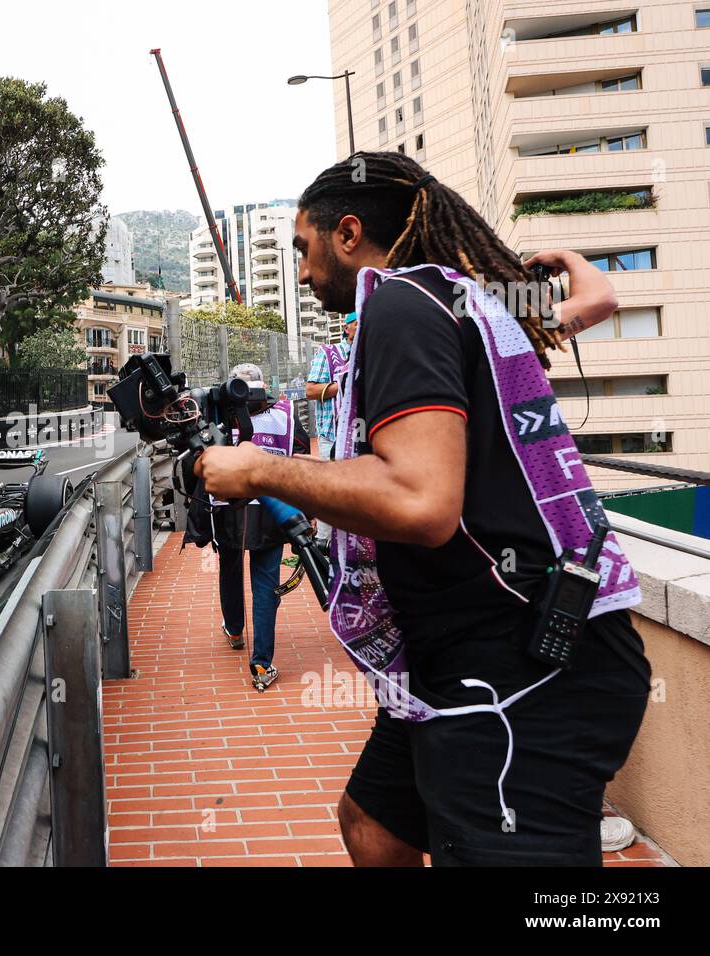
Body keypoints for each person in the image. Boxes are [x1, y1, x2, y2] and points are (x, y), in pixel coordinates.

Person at [193, 151, 651, 866]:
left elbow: (421, 500)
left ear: (348, 233)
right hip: (474, 648)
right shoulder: (470, 301)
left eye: (305, 252)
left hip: (518, 668)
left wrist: (259, 469)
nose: (306, 275)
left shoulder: (403, 304)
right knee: (373, 827)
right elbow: (596, 303)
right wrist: (565, 261)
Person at [184, 363, 310, 691]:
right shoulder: (286, 413)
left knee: (230, 569)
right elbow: (301, 458)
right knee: (266, 585)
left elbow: (196, 462)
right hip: (273, 512)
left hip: (228, 510)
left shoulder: (217, 414)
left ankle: (236, 631)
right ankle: (262, 662)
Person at [305, 312, 357, 547]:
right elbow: (311, 390)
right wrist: (344, 384)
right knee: (329, 486)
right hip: (332, 433)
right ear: (346, 328)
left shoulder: (372, 352)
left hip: (361, 434)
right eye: (357, 324)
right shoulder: (329, 353)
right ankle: (324, 543)